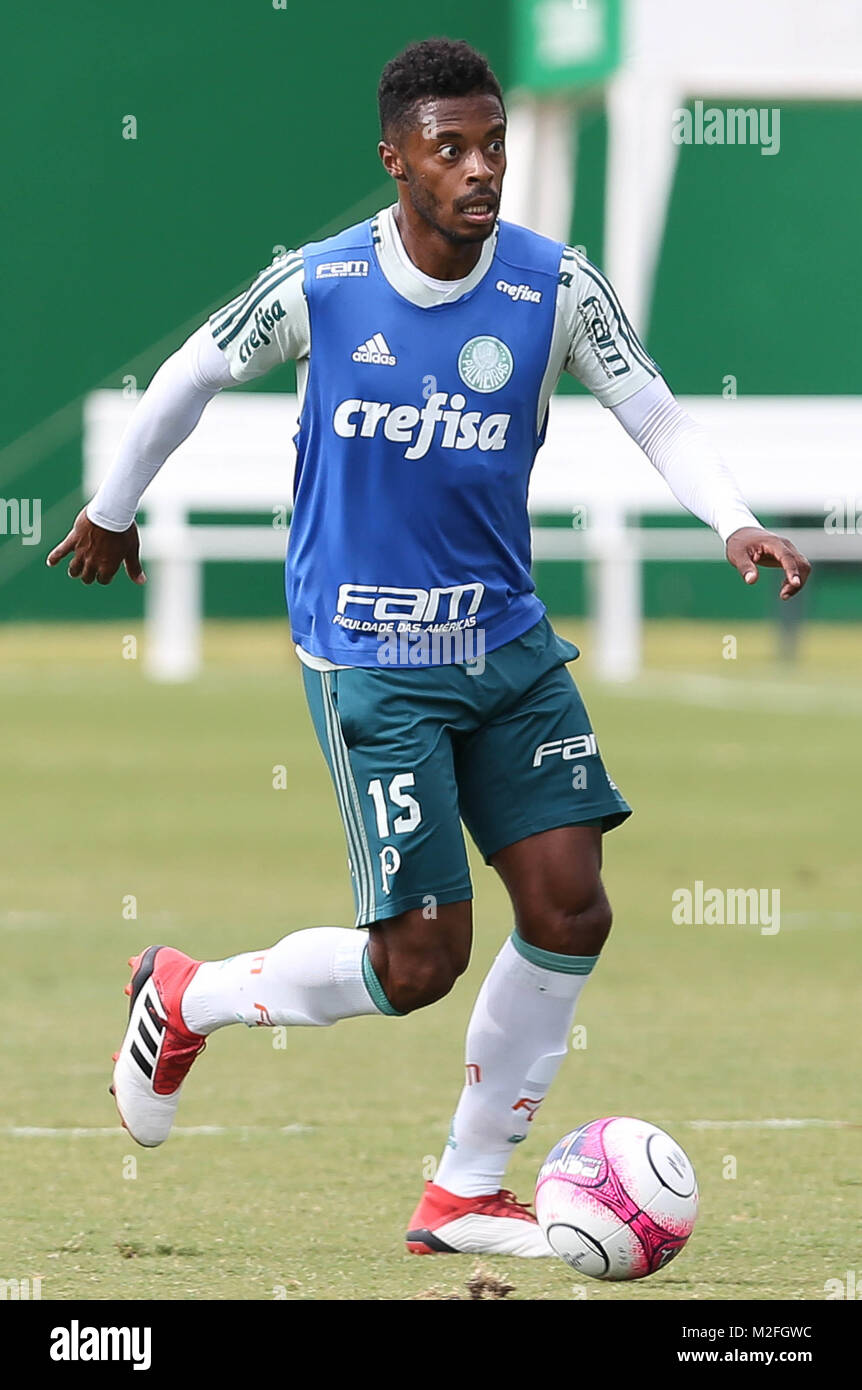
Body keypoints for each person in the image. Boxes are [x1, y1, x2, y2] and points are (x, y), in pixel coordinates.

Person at [47, 37, 810, 1257]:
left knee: (570, 907)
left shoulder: (551, 287)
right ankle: (188, 995)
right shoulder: (319, 285)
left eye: (492, 144)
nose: (479, 170)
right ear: (394, 159)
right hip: (371, 663)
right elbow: (191, 374)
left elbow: (650, 403)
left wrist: (734, 521)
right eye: (448, 149)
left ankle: (463, 1186)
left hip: (506, 646)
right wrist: (112, 509)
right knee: (418, 963)